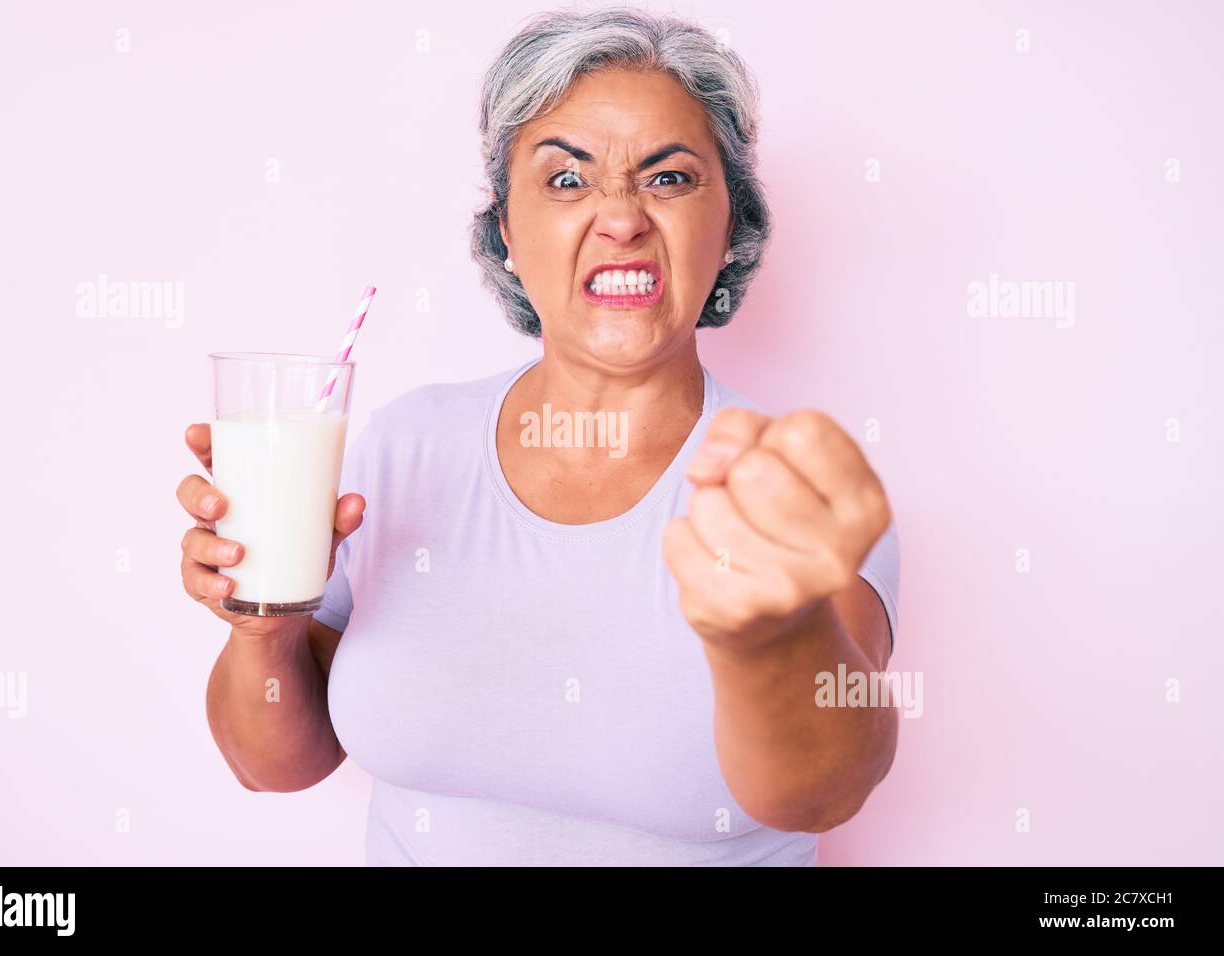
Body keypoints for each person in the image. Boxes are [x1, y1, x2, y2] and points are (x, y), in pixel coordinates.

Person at [177, 7, 900, 866]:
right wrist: (264, 626)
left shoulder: (792, 485)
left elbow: (824, 793)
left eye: (669, 179)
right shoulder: (403, 448)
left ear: (729, 225)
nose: (622, 218)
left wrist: (770, 635)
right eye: (566, 181)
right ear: (508, 234)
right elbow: (273, 766)